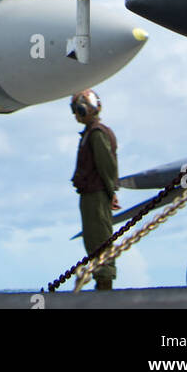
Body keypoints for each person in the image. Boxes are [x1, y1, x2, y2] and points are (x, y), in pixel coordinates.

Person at [71, 89, 119, 290]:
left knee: (100, 240)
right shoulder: (91, 133)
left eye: (77, 110)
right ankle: (102, 282)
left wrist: (111, 193)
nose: (75, 115)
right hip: (91, 194)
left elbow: (106, 165)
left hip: (96, 195)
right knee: (93, 240)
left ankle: (104, 285)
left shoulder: (97, 134)